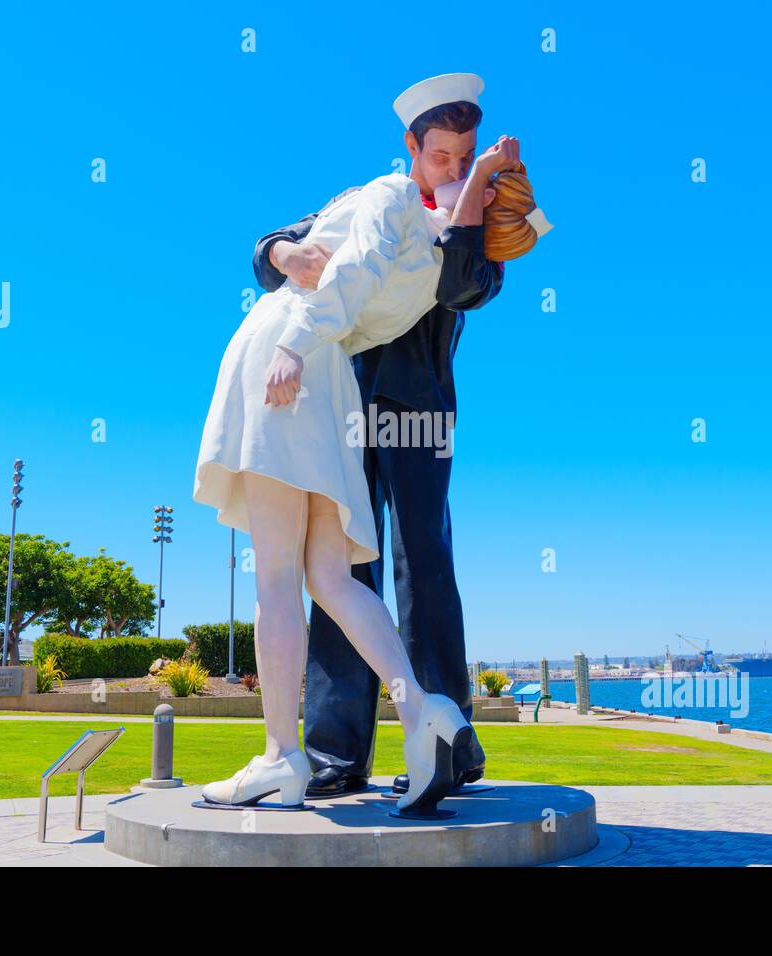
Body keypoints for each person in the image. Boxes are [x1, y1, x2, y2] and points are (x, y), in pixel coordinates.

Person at [193, 74, 530, 814]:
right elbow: (274, 246)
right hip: (331, 396)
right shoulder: (377, 197)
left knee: (420, 564)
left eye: (462, 156)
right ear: (412, 148)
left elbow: (467, 284)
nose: (448, 167)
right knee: (344, 570)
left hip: (412, 407)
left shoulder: (476, 220)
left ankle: (447, 740)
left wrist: (479, 196)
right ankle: (333, 753)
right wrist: (286, 255)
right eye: (439, 156)